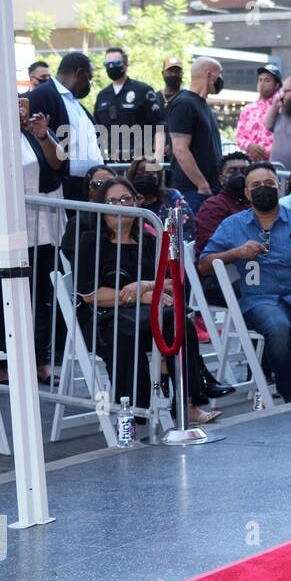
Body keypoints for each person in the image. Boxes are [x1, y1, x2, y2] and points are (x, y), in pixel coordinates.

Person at [62, 176, 222, 424]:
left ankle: (187, 403)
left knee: (182, 323)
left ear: (137, 202)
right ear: (102, 206)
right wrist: (140, 296)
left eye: (126, 199)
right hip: (103, 320)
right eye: (112, 201)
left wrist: (145, 286)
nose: (121, 205)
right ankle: (132, 411)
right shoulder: (91, 242)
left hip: (148, 318)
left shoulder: (149, 241)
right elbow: (92, 295)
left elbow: (171, 282)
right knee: (125, 331)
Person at [198, 162, 291, 402]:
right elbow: (204, 264)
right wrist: (236, 253)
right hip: (260, 300)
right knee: (278, 328)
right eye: (255, 185)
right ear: (247, 193)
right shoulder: (233, 225)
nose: (263, 189)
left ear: (278, 187)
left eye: (268, 184)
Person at [0, 96, 65, 386]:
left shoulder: (37, 130)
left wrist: (43, 134)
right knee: (1, 296)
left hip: (43, 227)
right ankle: (0, 364)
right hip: (6, 227)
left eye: (24, 106)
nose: (21, 111)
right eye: (16, 105)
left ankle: (41, 361)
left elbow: (58, 162)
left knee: (41, 294)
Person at [26, 51, 102, 203]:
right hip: (64, 188)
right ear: (80, 73)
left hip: (87, 187)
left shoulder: (73, 101)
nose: (89, 84)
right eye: (89, 78)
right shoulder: (43, 95)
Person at [165, 57, 225, 217]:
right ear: (209, 75)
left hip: (206, 191)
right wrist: (202, 185)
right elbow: (180, 149)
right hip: (193, 192)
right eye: (220, 75)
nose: (221, 80)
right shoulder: (184, 104)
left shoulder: (202, 105)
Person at [93, 46, 164, 167]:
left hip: (139, 163)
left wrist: (157, 161)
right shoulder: (102, 95)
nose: (111, 67)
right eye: (107, 63)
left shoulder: (143, 90)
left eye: (115, 63)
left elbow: (159, 127)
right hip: (110, 163)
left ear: (125, 65)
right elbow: (97, 131)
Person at [193, 151, 251, 259]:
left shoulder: (253, 203)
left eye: (244, 171)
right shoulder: (213, 207)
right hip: (223, 272)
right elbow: (209, 253)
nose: (239, 175)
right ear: (221, 179)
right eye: (232, 171)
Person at [125, 157, 189, 239]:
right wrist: (134, 207)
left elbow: (187, 227)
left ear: (158, 177)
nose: (145, 176)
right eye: (140, 172)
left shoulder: (172, 197)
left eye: (151, 173)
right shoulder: (125, 201)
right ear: (133, 176)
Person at [235, 64, 281, 162]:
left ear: (276, 85)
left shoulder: (283, 107)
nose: (262, 83)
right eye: (260, 80)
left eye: (267, 80)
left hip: (277, 165)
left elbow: (288, 138)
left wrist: (265, 151)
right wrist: (250, 146)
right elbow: (239, 137)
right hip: (252, 164)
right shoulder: (248, 109)